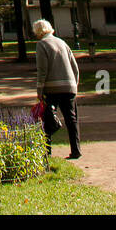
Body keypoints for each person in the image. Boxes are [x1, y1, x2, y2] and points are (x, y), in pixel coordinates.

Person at [33, 18, 81, 159]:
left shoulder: (42, 45)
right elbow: (75, 68)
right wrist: (74, 85)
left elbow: (42, 70)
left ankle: (46, 152)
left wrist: (39, 91)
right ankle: (76, 151)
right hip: (69, 87)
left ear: (38, 32)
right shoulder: (62, 43)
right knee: (72, 119)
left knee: (47, 119)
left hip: (51, 89)